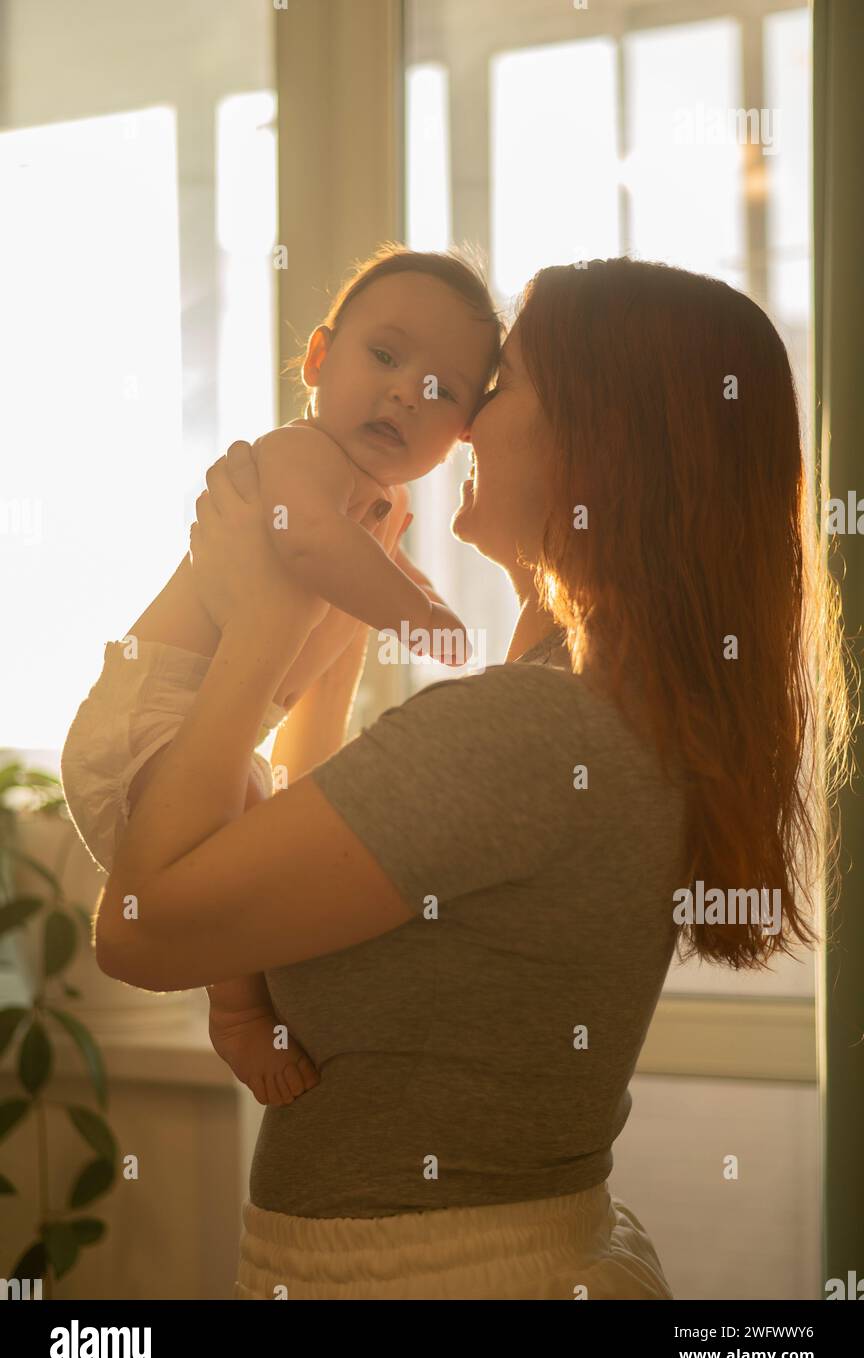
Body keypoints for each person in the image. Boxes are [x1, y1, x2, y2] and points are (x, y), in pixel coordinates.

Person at [77, 257, 852, 1299]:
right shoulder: (597, 710)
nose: (466, 424)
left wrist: (262, 621)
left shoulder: (529, 733)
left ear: (600, 442)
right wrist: (328, 605)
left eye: (497, 387)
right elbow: (287, 849)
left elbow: (135, 925)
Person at [60, 245, 501, 1107]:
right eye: (385, 355)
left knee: (260, 849)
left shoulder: (379, 510)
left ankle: (248, 997)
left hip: (215, 739)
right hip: (146, 718)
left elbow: (366, 582)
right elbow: (309, 543)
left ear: (460, 439)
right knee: (248, 848)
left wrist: (421, 604)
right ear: (318, 359)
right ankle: (236, 1013)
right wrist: (432, 628)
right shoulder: (299, 452)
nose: (410, 391)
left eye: (444, 390)